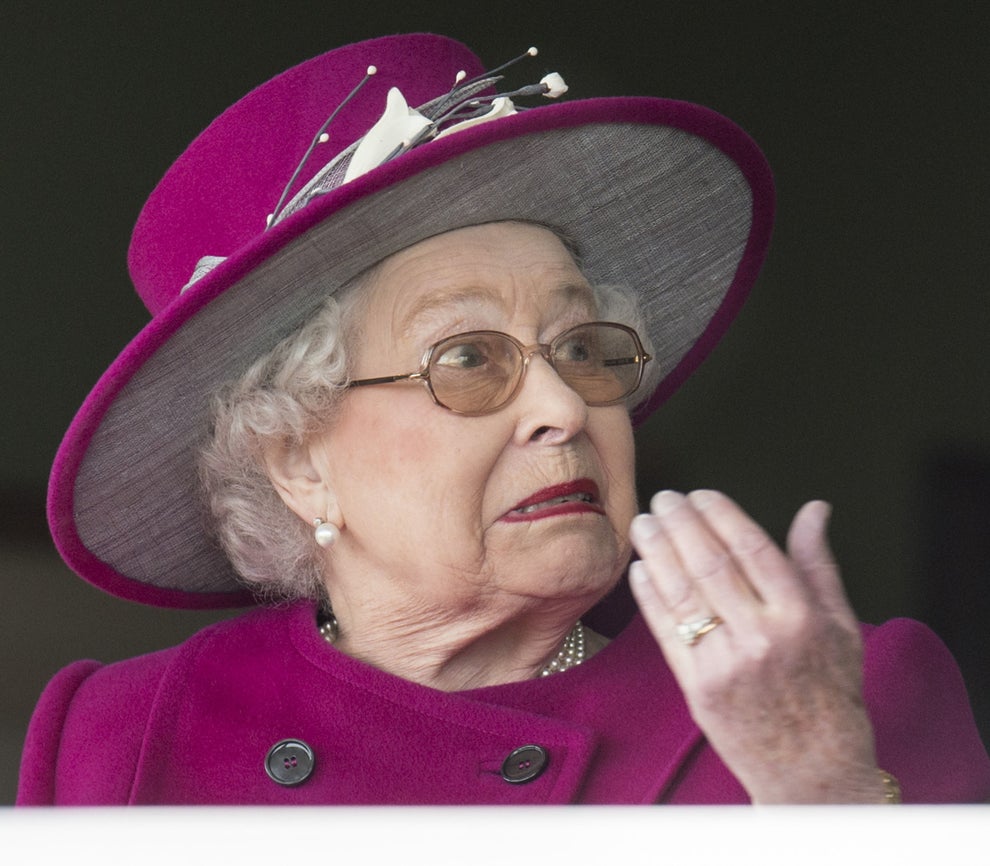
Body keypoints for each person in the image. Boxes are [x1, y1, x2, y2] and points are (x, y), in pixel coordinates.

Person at [18, 33, 989, 806]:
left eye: (581, 348)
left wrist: (820, 795)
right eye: (470, 359)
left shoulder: (838, 703)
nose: (565, 407)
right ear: (297, 459)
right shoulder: (117, 733)